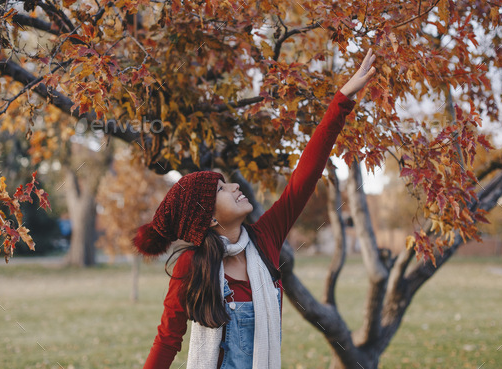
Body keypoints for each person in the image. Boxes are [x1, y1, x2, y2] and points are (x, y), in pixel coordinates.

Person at [133, 48, 377, 369]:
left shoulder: (265, 239)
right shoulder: (192, 265)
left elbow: (305, 175)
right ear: (206, 216)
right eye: (221, 189)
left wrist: (341, 100)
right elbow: (168, 339)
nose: (234, 186)